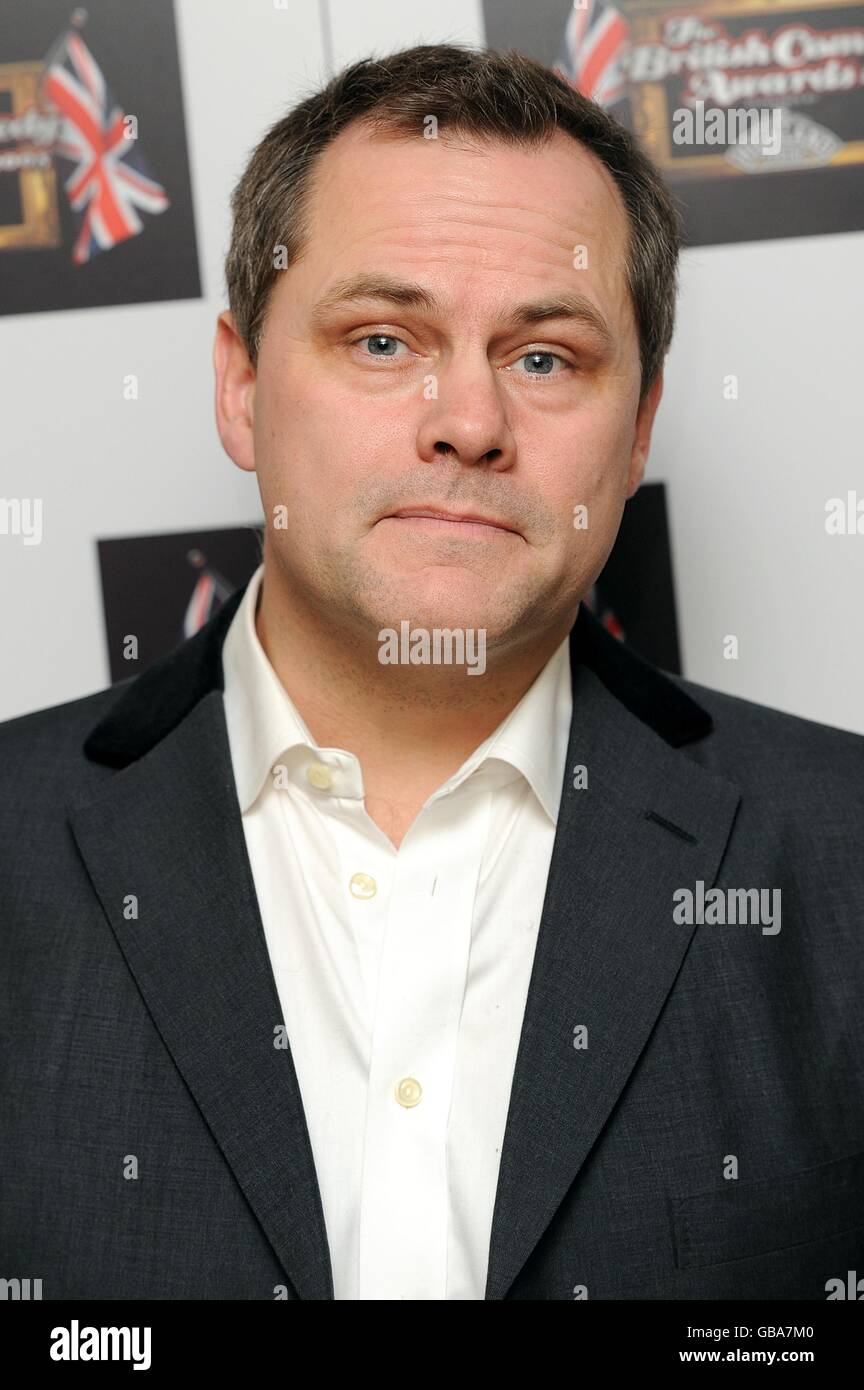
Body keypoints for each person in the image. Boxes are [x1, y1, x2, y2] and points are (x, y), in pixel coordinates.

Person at [1, 44, 862, 1302]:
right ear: (241, 387)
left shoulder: (839, 851)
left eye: (546, 357)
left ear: (639, 431)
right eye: (385, 339)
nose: (468, 420)